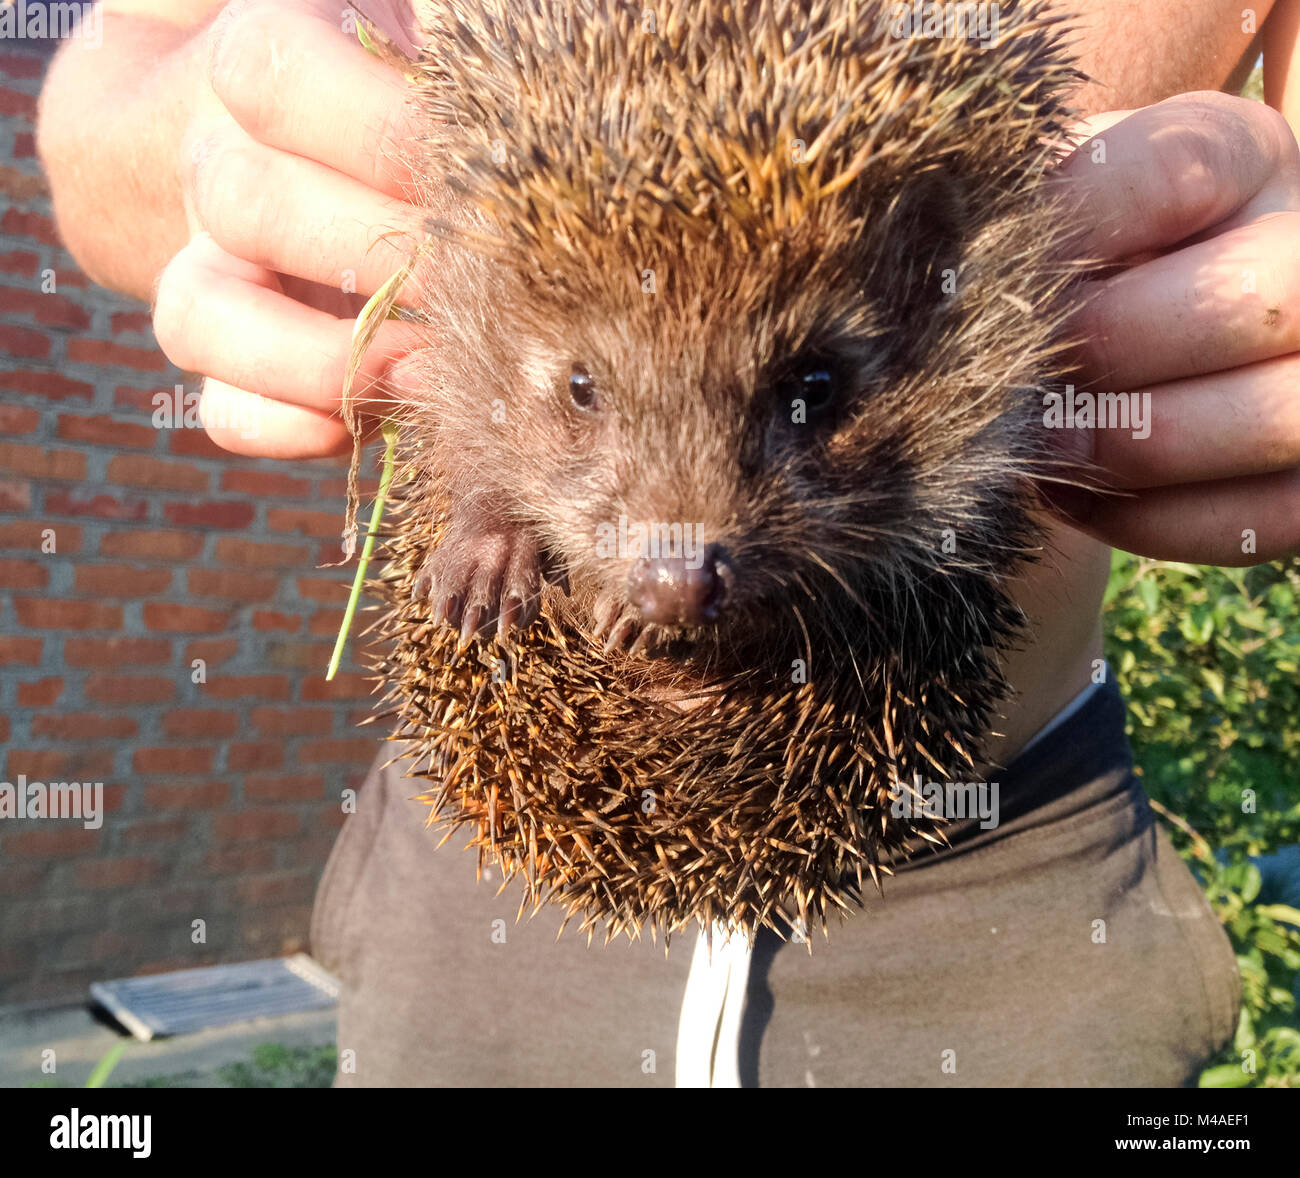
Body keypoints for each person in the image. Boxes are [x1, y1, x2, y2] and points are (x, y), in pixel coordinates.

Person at [37, 0, 1300, 1085]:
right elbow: (108, 96)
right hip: (457, 876)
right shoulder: (490, 335)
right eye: (583, 396)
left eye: (808, 389)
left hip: (1001, 867)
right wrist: (211, 134)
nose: (675, 560)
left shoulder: (959, 298)